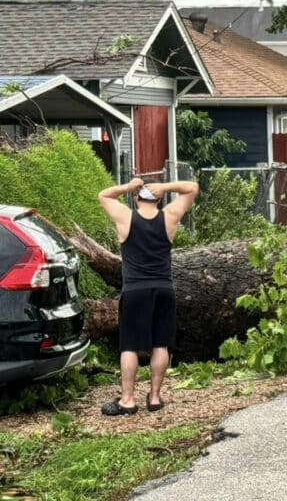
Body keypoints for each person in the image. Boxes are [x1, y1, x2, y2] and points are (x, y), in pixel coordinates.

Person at [97, 177, 199, 416]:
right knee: (160, 344)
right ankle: (154, 397)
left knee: (130, 346)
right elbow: (192, 187)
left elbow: (103, 195)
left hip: (135, 291)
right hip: (164, 289)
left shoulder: (126, 217)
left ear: (136, 197)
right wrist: (167, 186)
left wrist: (126, 187)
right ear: (160, 197)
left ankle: (128, 400)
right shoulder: (169, 216)